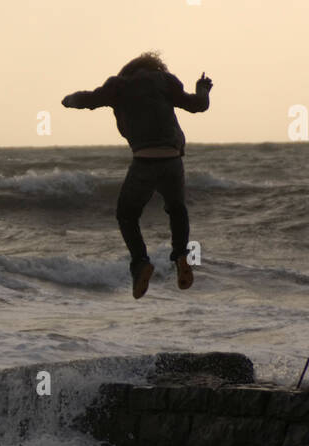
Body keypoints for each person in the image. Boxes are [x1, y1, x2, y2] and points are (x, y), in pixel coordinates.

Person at [62, 52, 212, 299]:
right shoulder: (166, 82)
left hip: (144, 160)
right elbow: (199, 105)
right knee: (177, 209)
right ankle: (182, 256)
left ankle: (141, 262)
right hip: (173, 159)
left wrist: (68, 100)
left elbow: (89, 99)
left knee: (127, 215)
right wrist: (203, 88)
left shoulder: (119, 86)